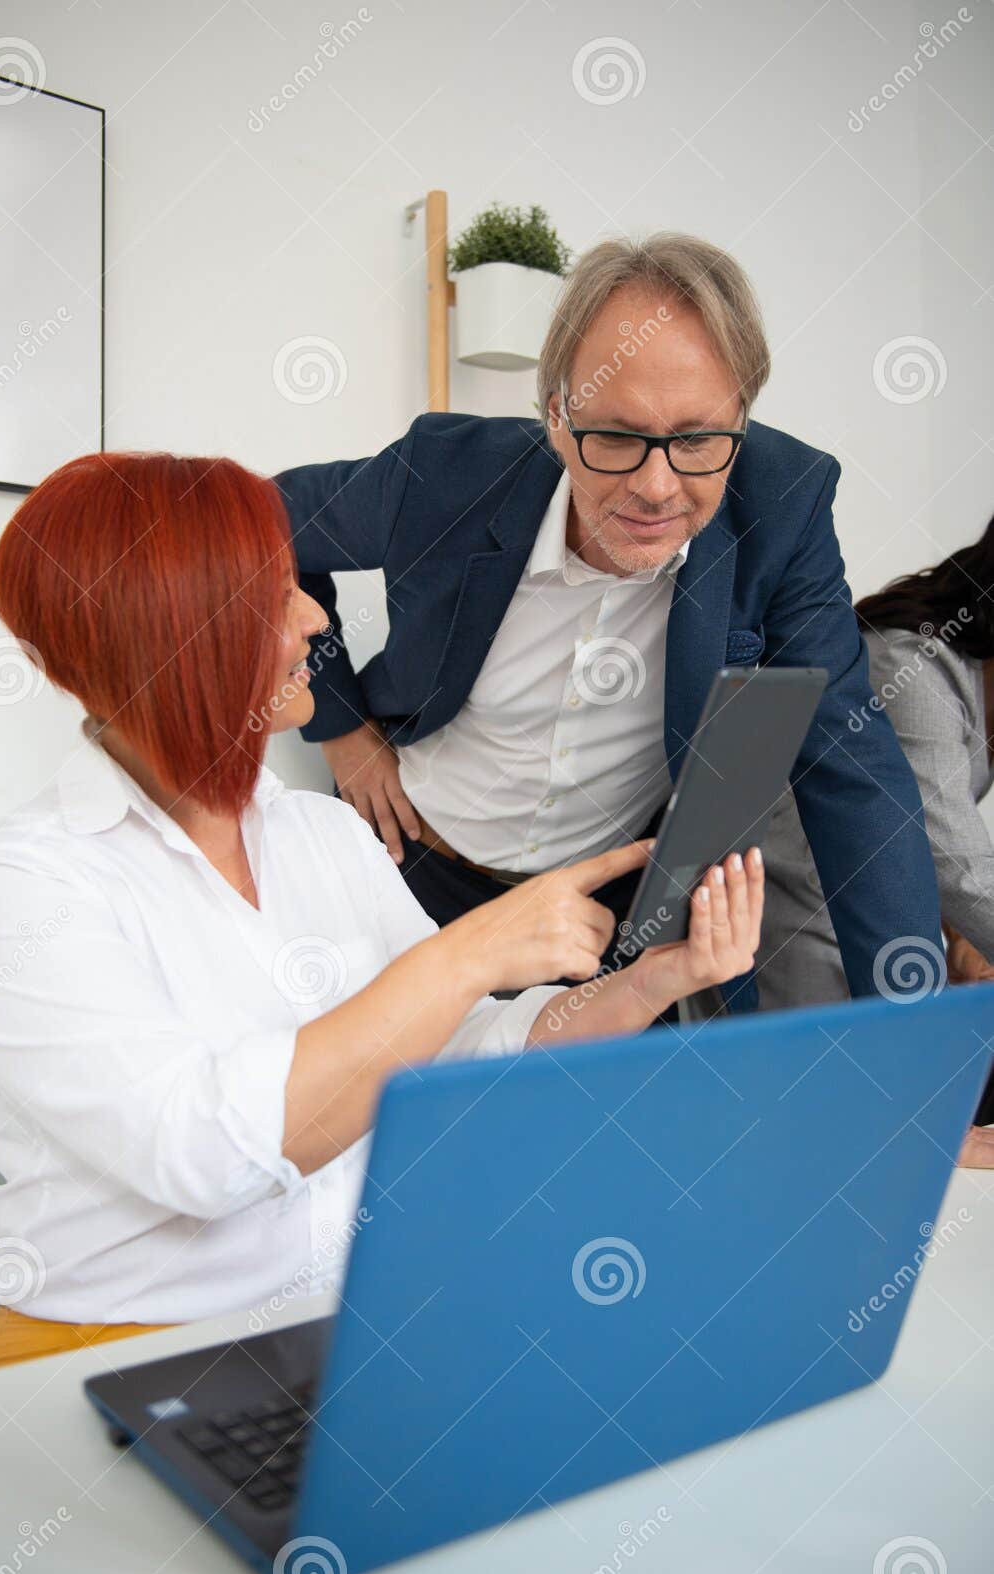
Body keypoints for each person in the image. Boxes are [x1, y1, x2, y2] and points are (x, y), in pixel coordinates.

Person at [0, 452, 764, 1372]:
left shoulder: (319, 837)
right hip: (108, 1358)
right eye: (273, 594)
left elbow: (458, 1060)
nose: (314, 617)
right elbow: (209, 1159)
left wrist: (649, 986)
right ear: (174, 635)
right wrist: (472, 952)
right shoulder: (29, 887)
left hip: (337, 1333)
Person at [276, 231, 941, 1014]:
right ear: (556, 414)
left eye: (697, 439)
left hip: (599, 920)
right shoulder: (446, 473)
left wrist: (917, 1060)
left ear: (741, 421)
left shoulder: (783, 508)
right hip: (409, 871)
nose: (657, 488)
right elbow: (254, 533)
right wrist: (341, 726)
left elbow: (854, 777)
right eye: (618, 437)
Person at [756, 513, 994, 1166]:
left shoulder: (977, 682)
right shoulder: (912, 668)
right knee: (828, 1156)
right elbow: (959, 867)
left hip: (885, 945)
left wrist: (965, 935)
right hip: (808, 930)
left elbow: (923, 840)